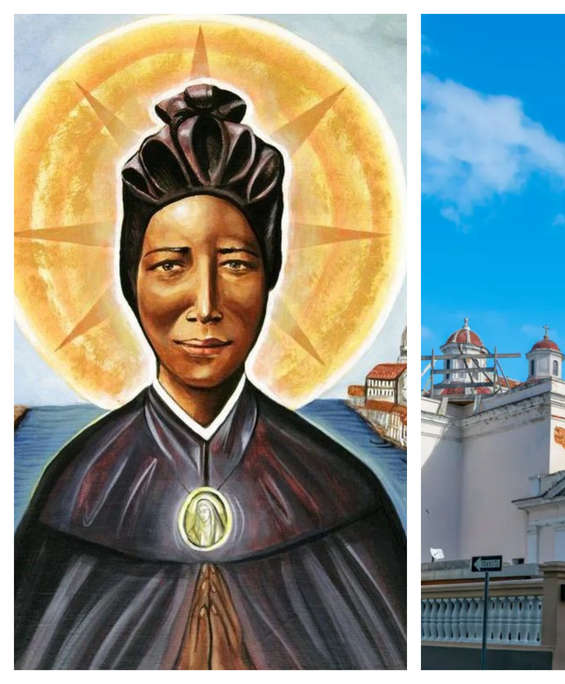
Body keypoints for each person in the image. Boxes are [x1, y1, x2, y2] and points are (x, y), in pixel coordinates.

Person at [14, 84, 407, 669]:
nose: (206, 303)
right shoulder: (76, 492)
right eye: (170, 265)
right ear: (132, 282)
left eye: (236, 264)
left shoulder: (340, 493)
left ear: (269, 278)